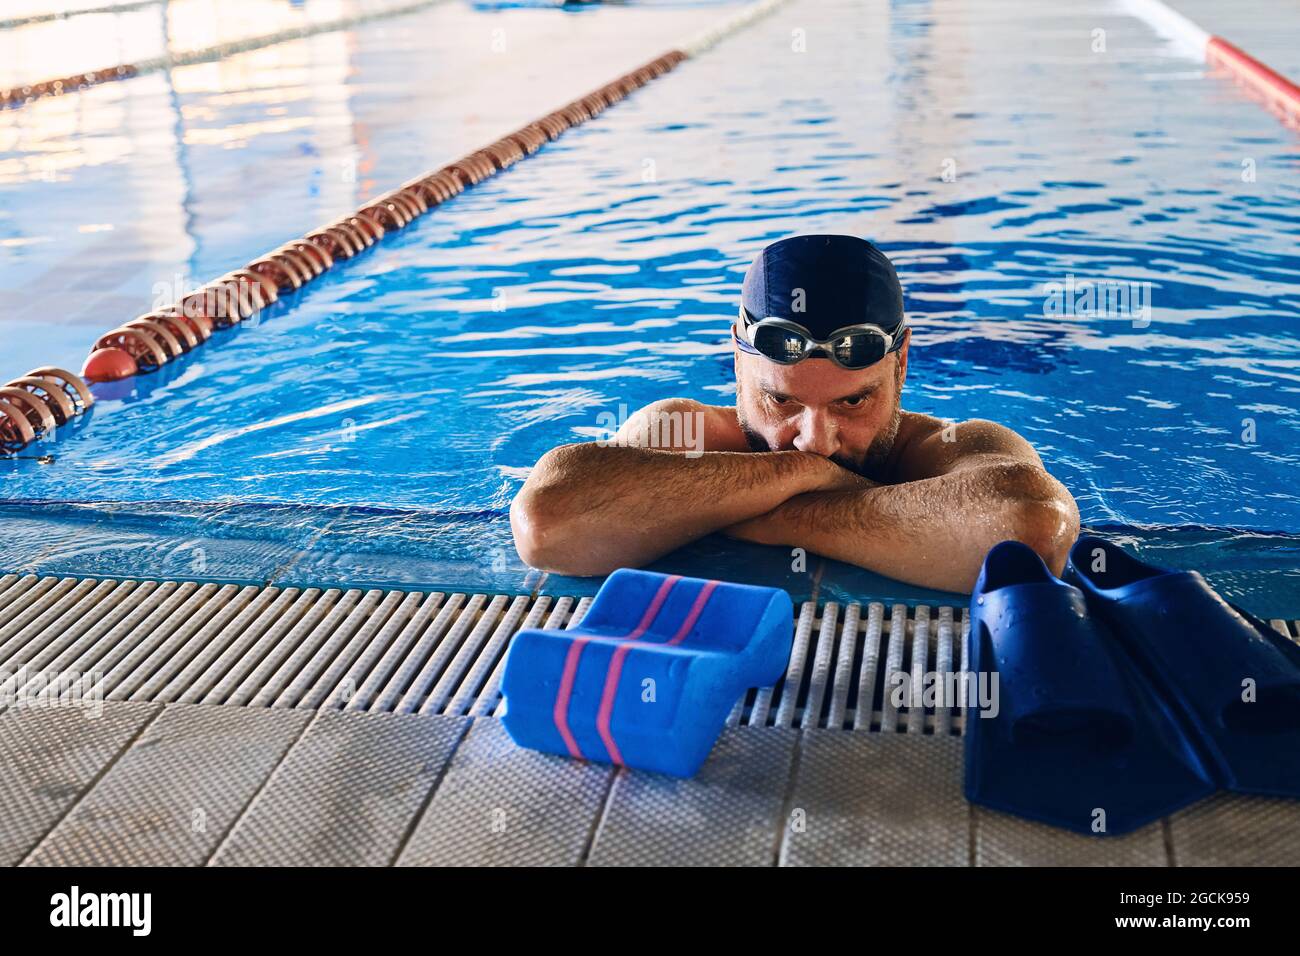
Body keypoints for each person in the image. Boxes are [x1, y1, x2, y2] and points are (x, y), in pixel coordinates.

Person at [510, 234, 1079, 593]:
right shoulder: (686, 429)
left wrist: (779, 516)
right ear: (737, 358)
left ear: (901, 363)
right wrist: (800, 476)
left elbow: (1034, 529)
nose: (816, 441)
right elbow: (549, 523)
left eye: (853, 400)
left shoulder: (950, 447)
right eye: (781, 400)